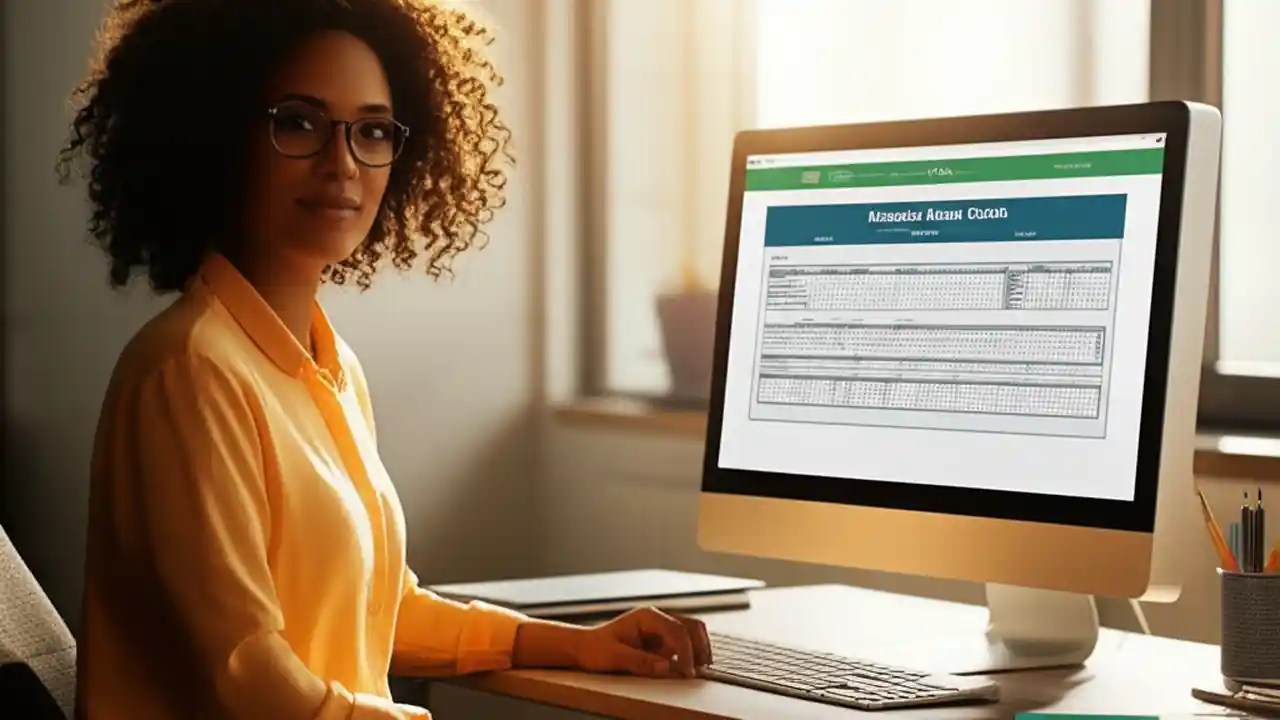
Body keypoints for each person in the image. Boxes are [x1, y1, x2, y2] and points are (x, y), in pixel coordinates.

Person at [57, 1, 711, 718]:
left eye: (371, 130)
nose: (341, 164)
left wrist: (573, 643)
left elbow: (380, 608)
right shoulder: (188, 369)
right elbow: (244, 674)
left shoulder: (329, 368)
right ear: (217, 135)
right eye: (298, 122)